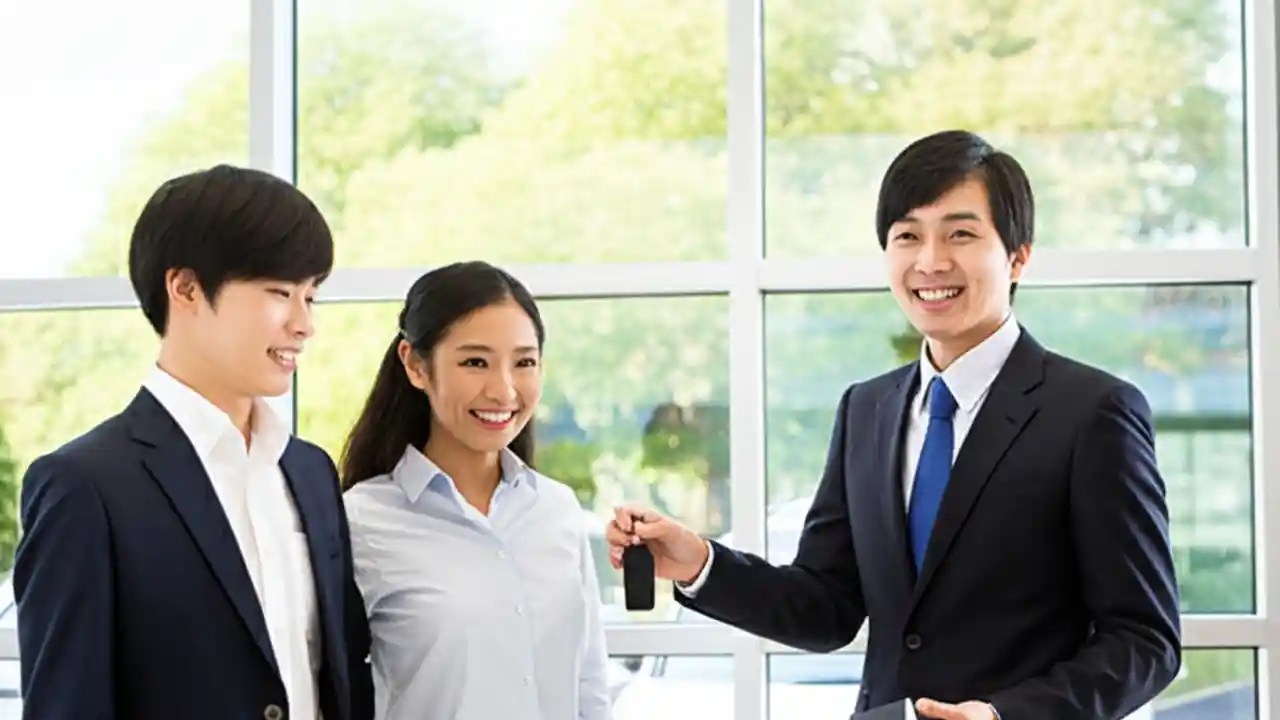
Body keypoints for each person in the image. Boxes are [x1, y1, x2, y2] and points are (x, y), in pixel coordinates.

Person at [606, 130, 1181, 720]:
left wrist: (1004, 716)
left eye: (960, 233)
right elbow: (827, 606)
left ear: (1017, 256)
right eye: (907, 236)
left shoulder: (1093, 412)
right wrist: (701, 562)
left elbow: (1145, 640)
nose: (930, 261)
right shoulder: (867, 409)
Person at [14, 165, 373, 720]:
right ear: (184, 288)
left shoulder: (309, 472)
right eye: (279, 292)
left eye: (311, 296)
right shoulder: (85, 488)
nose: (304, 324)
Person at [340, 261, 611, 720]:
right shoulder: (360, 521)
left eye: (524, 362)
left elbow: (588, 685)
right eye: (474, 362)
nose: (503, 390)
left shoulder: (557, 510)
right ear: (415, 365)